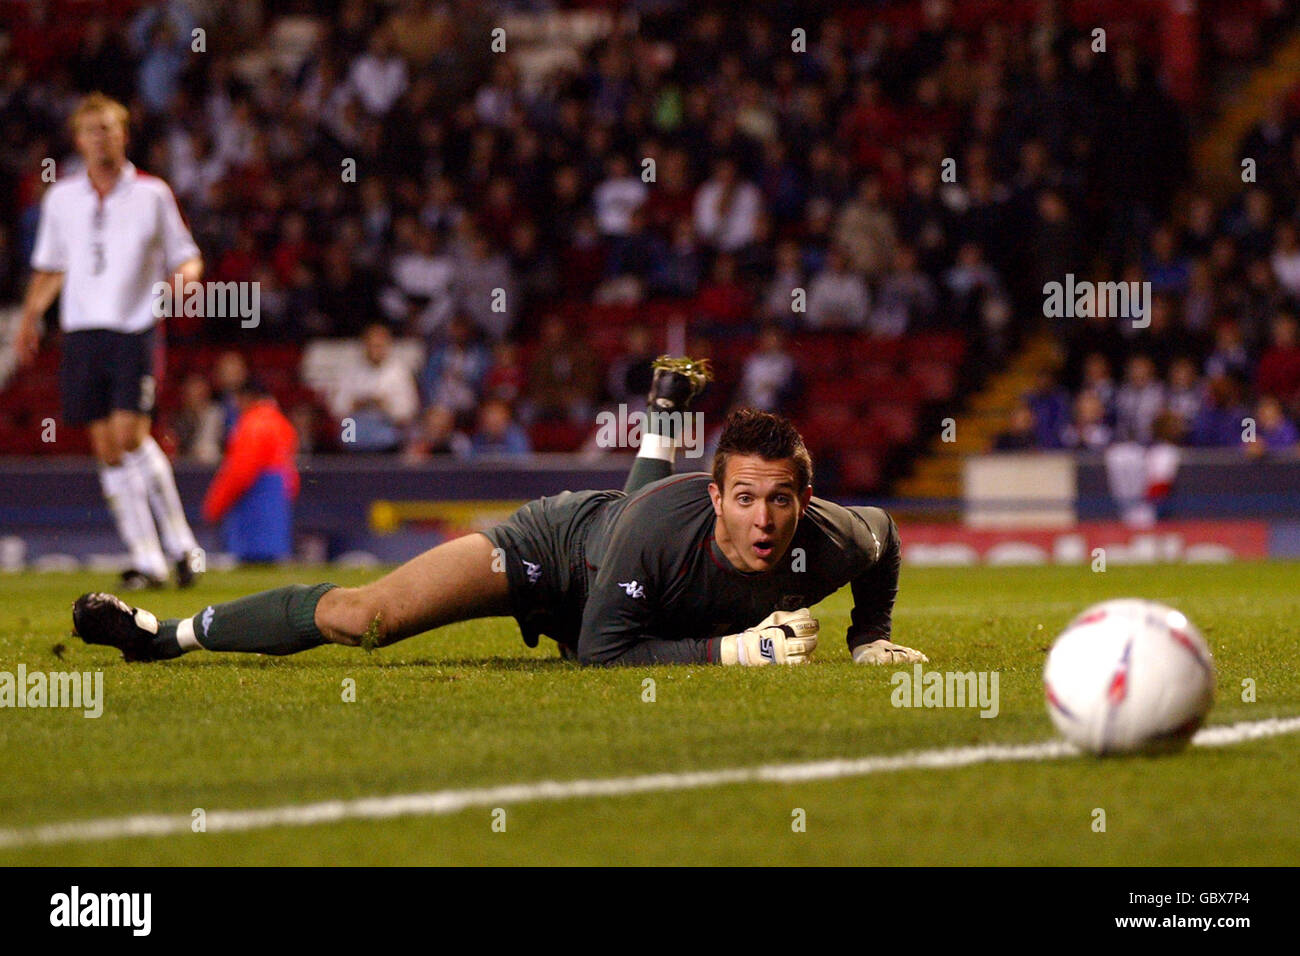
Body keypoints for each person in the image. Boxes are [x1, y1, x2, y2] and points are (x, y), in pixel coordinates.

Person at [71, 360, 923, 668]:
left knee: (629, 548)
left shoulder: (831, 535)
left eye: (781, 500)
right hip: (557, 553)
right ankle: (162, 634)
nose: (765, 519)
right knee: (363, 619)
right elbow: (598, 648)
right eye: (743, 498)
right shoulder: (667, 527)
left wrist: (868, 637)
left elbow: (883, 536)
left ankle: (664, 413)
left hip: (623, 552)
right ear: (715, 498)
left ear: (805, 501)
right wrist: (734, 652)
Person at [16, 92, 205, 589]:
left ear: (124, 134)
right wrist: (31, 315)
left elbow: (187, 253)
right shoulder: (62, 198)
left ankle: (183, 544)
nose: (102, 137)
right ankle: (148, 559)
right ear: (78, 139)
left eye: (110, 128)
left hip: (133, 327)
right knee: (105, 447)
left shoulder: (152, 193)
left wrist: (185, 277)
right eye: (92, 129)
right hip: (82, 332)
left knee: (130, 435)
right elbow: (52, 266)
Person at [202, 380, 299, 563]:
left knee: (251, 565)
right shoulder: (281, 422)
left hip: (254, 510)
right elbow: (291, 476)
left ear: (246, 398)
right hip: (276, 507)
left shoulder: (252, 425)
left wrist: (214, 506)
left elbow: (240, 473)